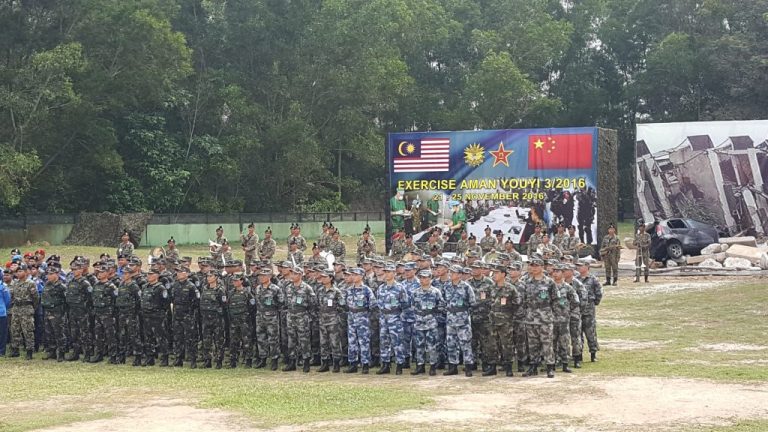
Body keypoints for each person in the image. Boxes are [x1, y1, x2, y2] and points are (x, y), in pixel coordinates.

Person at [520, 257, 560, 378]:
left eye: (537, 265)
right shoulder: (526, 282)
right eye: (532, 265)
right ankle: (533, 366)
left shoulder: (549, 282)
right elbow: (523, 299)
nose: (534, 267)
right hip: (531, 317)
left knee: (547, 343)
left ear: (542, 267)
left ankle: (549, 366)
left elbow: (555, 299)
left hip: (545, 318)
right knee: (532, 344)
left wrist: (550, 314)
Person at [486, 264, 521, 377]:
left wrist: (510, 316)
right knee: (492, 345)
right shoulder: (491, 288)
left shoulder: (511, 288)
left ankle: (508, 367)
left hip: (506, 322)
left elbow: (517, 304)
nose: (494, 275)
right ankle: (492, 366)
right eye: (493, 273)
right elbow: (487, 303)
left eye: (496, 273)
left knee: (507, 345)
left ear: (503, 274)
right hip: (493, 321)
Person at [375, 263, 409, 375]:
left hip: (395, 318)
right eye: (385, 272)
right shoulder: (381, 288)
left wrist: (398, 315)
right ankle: (385, 364)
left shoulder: (400, 288)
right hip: (384, 318)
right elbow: (378, 303)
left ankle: (399, 364)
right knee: (384, 342)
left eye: (389, 272)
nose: (387, 274)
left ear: (394, 273)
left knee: (397, 342)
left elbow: (405, 304)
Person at [410, 269, 444, 376]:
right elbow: (412, 306)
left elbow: (442, 306)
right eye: (421, 278)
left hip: (431, 323)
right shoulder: (415, 292)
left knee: (432, 346)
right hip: (419, 322)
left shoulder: (435, 292)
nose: (422, 280)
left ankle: (433, 366)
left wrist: (434, 315)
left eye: (425, 278)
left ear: (430, 279)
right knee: (419, 345)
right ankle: (420, 366)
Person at [443, 265, 475, 377]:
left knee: (465, 344)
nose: (451, 274)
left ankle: (468, 366)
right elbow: (443, 303)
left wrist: (465, 315)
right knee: (451, 344)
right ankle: (453, 366)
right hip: (450, 320)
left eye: (454, 272)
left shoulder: (466, 287)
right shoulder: (447, 286)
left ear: (460, 275)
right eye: (451, 272)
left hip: (463, 321)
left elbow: (472, 303)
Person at [283, 266, 316, 372]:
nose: (292, 276)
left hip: (302, 317)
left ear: (301, 275)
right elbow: (285, 302)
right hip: (291, 316)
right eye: (292, 273)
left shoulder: (307, 288)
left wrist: (308, 316)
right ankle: (292, 362)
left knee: (304, 340)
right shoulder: (288, 287)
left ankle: (306, 361)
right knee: (291, 340)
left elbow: (313, 304)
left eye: (295, 274)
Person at [343, 267, 376, 374]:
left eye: (356, 275)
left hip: (363, 319)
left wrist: (365, 314)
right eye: (352, 274)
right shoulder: (348, 290)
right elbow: (345, 304)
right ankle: (353, 363)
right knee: (352, 341)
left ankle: (365, 364)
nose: (353, 276)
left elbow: (373, 304)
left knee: (364, 341)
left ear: (361, 276)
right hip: (351, 317)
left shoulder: (366, 290)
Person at [253, 267, 283, 370]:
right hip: (260, 317)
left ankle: (274, 359)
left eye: (264, 276)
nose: (261, 278)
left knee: (273, 339)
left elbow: (281, 303)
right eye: (260, 276)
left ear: (269, 276)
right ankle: (263, 358)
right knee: (261, 338)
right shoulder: (258, 288)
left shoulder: (275, 289)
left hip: (271, 317)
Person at [315, 269, 345, 373]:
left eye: (325, 277)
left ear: (331, 278)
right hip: (322, 320)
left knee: (335, 342)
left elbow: (342, 305)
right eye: (322, 277)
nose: (322, 279)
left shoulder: (336, 292)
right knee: (323, 342)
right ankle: (325, 363)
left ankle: (336, 363)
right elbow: (317, 305)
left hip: (333, 321)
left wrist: (335, 315)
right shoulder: (320, 290)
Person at [552, 264, 579, 373]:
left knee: (564, 342)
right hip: (551, 319)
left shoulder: (568, 287)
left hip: (563, 320)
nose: (555, 273)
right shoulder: (550, 286)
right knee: (551, 343)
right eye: (554, 271)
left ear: (562, 273)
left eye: (557, 271)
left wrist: (566, 311)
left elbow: (575, 301)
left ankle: (565, 364)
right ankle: (551, 364)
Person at [65, 259, 93, 362]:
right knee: (74, 333)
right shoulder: (71, 282)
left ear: (81, 270)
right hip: (73, 311)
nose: (73, 271)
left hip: (82, 312)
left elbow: (91, 297)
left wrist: (86, 308)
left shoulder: (85, 283)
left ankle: (87, 354)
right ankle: (76, 353)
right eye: (72, 269)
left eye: (75, 269)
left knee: (84, 333)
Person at [171, 266, 199, 368]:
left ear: (187, 274)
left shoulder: (191, 286)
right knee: (178, 338)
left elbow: (196, 301)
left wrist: (190, 312)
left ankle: (193, 360)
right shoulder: (175, 285)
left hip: (188, 315)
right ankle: (178, 359)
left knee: (190, 338)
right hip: (177, 315)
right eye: (177, 272)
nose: (178, 274)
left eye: (181, 272)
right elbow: (172, 299)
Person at [140, 269, 170, 366]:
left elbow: (165, 302)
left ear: (157, 276)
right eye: (148, 274)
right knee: (148, 337)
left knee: (161, 337)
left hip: (157, 316)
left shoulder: (160, 288)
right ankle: (150, 357)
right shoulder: (145, 287)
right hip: (146, 315)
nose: (149, 276)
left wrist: (160, 312)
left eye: (151, 274)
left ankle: (164, 358)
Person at [116, 257, 142, 365]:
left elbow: (139, 300)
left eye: (126, 274)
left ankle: (138, 357)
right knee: (122, 335)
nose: (124, 275)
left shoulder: (134, 286)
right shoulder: (121, 285)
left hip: (131, 314)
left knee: (134, 336)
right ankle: (121, 357)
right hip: (122, 313)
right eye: (123, 273)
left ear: (130, 275)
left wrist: (134, 312)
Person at [9, 264, 39, 360]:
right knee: (15, 330)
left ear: (26, 272)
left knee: (28, 331)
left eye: (21, 271)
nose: (18, 273)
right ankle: (15, 350)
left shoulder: (31, 283)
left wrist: (32, 307)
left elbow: (36, 298)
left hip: (26, 308)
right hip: (16, 309)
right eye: (17, 271)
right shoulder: (15, 283)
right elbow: (12, 296)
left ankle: (29, 350)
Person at [575, 259, 602, 363]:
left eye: (581, 266)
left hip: (589, 309)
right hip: (578, 309)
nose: (579, 268)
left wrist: (594, 303)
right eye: (578, 266)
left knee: (590, 332)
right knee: (578, 332)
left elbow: (599, 292)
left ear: (587, 267)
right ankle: (579, 354)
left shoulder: (593, 279)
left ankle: (593, 354)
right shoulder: (575, 279)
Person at [199, 269, 227, 369]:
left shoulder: (220, 290)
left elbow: (224, 305)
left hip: (217, 319)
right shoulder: (204, 288)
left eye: (211, 276)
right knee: (206, 340)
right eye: (207, 276)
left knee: (218, 340)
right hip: (206, 318)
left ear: (216, 277)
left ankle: (219, 360)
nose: (208, 278)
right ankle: (207, 360)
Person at [90, 264, 117, 364]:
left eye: (101, 272)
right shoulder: (96, 285)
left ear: (106, 273)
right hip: (98, 313)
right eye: (98, 272)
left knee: (110, 336)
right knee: (98, 335)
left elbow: (115, 301)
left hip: (108, 314)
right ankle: (99, 354)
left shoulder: (111, 286)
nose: (99, 274)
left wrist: (112, 313)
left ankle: (113, 356)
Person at [227, 273, 255, 368]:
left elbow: (252, 306)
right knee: (233, 341)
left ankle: (248, 360)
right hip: (234, 320)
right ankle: (233, 361)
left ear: (242, 281)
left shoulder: (247, 293)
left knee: (246, 341)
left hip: (244, 321)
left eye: (237, 280)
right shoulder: (231, 293)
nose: (235, 282)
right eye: (233, 281)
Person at [564, 263, 588, 368]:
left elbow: (583, 299)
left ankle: (577, 358)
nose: (564, 272)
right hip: (561, 315)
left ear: (572, 271)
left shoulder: (577, 284)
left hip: (574, 314)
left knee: (576, 337)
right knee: (562, 337)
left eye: (566, 270)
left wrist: (577, 311)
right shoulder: (559, 284)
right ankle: (563, 358)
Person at [0, 266, 10, 356]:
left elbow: (8, 300)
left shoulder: (3, 287)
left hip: (1, 313)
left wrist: (4, 308)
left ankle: (2, 351)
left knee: (2, 333)